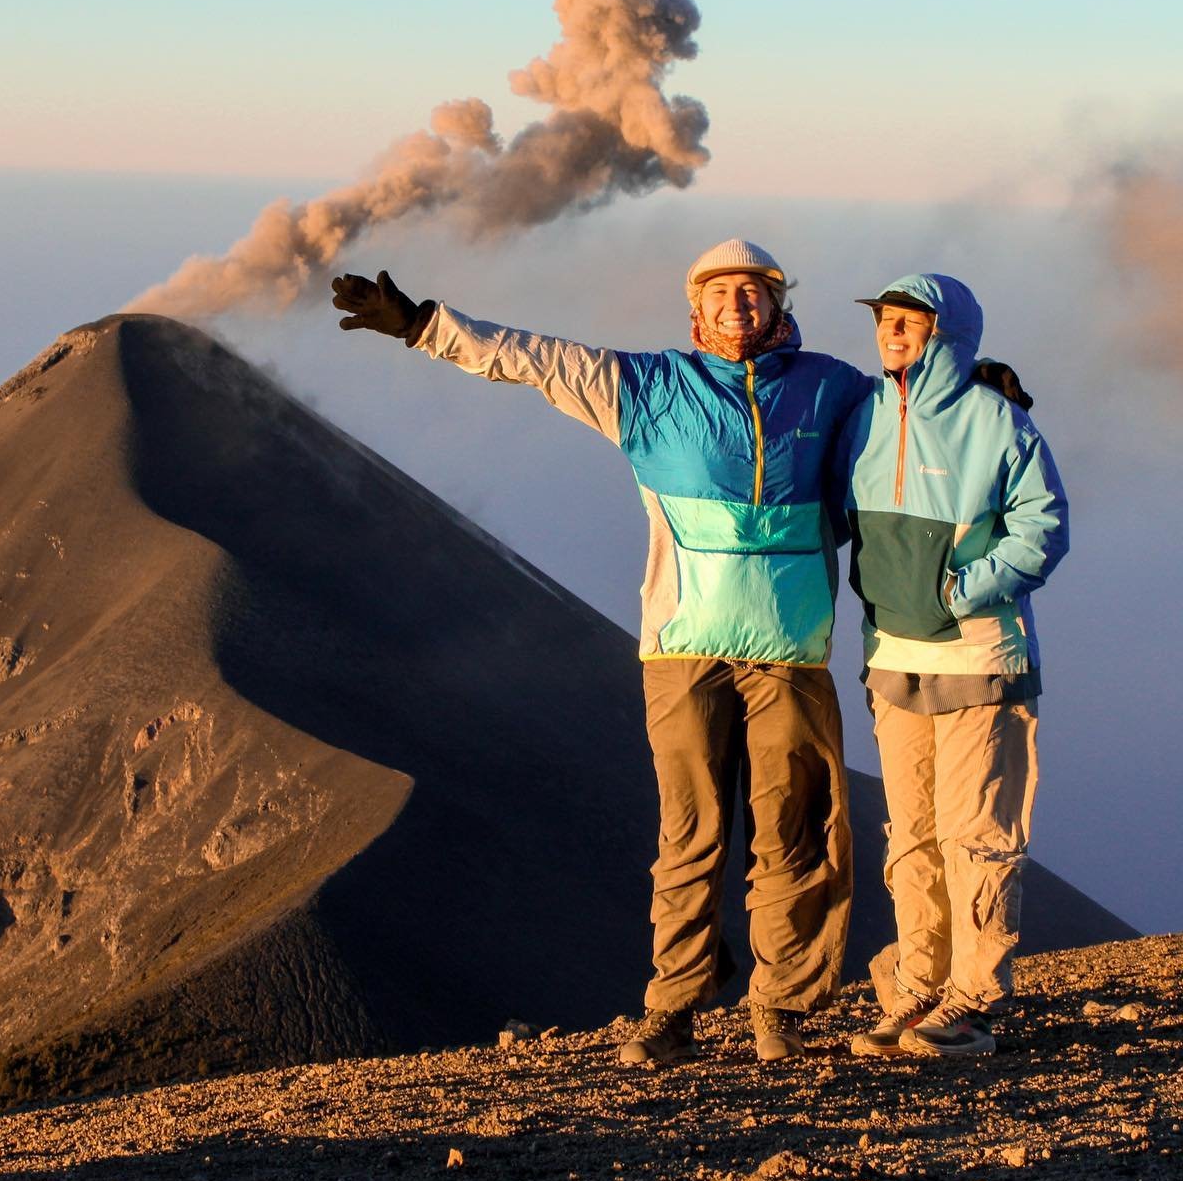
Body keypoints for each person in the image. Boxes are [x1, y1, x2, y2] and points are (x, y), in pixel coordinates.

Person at [332, 240, 872, 1064]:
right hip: (684, 649)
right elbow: (534, 359)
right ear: (696, 314)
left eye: (754, 293)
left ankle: (782, 1009)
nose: (739, 307)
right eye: (722, 295)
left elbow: (912, 431)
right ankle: (674, 1007)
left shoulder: (833, 388)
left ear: (779, 305)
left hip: (790, 651)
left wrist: (980, 400)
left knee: (793, 830)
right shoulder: (651, 387)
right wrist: (422, 326)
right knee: (691, 832)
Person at [839, 275, 1068, 1058]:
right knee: (913, 838)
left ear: (949, 331)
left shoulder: (993, 419)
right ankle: (918, 987)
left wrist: (962, 589)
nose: (893, 332)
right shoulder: (866, 414)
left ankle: (972, 1005)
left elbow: (1045, 525)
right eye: (886, 320)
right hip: (893, 660)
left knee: (977, 838)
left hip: (979, 658)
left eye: (911, 321)